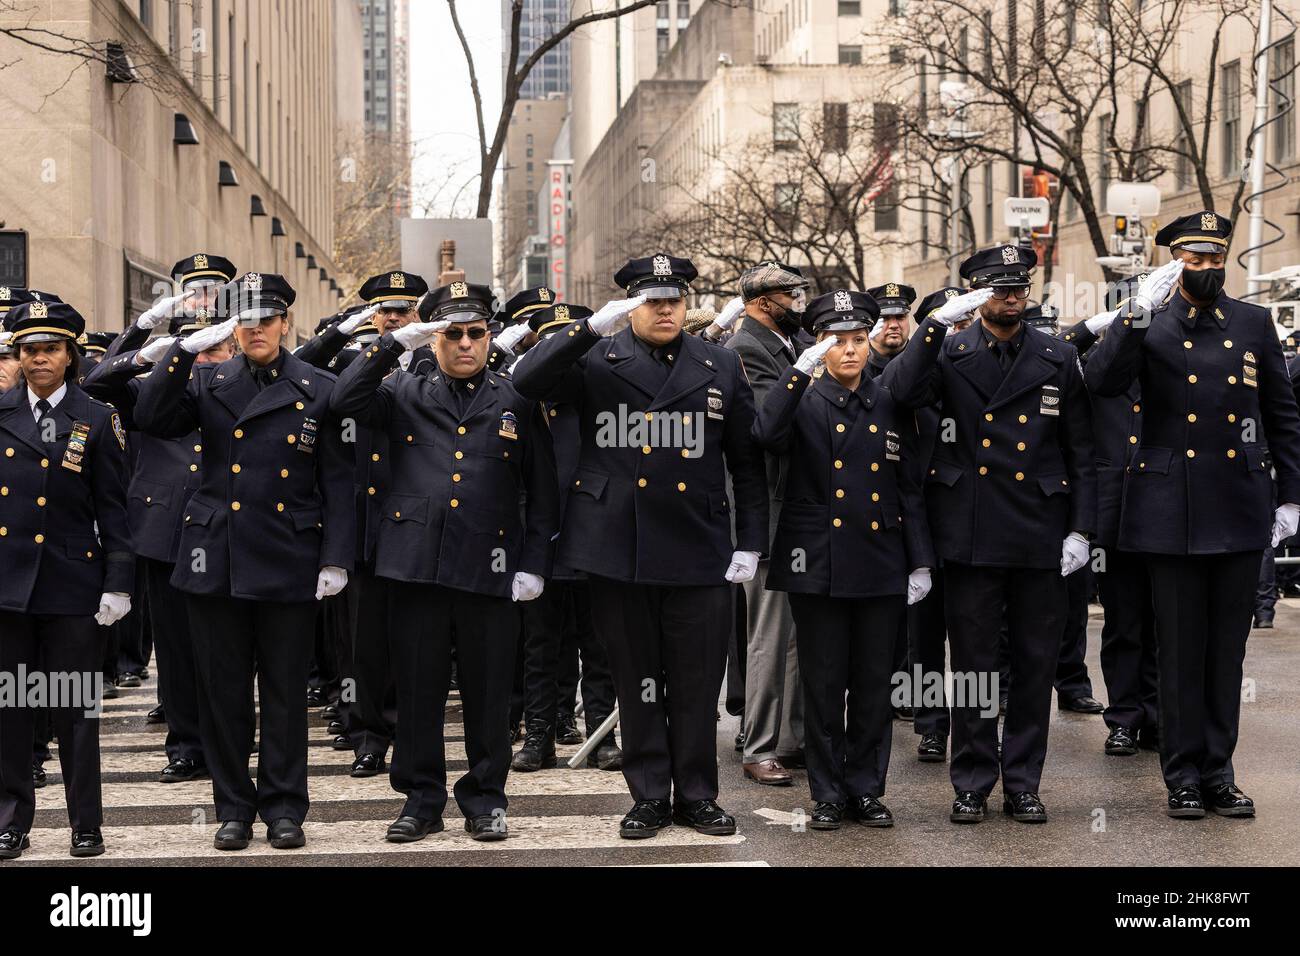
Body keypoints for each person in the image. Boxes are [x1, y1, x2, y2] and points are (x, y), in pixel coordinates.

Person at [512, 253, 769, 839]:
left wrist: (750, 542)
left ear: (686, 304)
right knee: (637, 678)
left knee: (696, 680)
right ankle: (650, 794)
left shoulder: (720, 363)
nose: (664, 310)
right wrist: (587, 329)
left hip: (698, 542)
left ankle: (698, 794)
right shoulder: (598, 357)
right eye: (651, 301)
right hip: (618, 542)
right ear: (630, 306)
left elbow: (746, 462)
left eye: (673, 300)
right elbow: (526, 382)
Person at [1085, 212, 1300, 819]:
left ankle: (1219, 772)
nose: (1205, 269)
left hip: (1235, 505)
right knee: (1178, 651)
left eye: (1214, 259)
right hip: (1167, 510)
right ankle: (1180, 776)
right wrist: (1131, 316)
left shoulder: (1254, 323)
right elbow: (1100, 382)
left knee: (1225, 654)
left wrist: (1291, 495)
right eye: (1193, 260)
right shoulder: (1148, 323)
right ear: (1175, 261)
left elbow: (1282, 414)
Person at [132, 272, 355, 851]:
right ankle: (232, 807)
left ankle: (284, 808)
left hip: (288, 553)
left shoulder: (319, 386)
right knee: (223, 692)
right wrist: (180, 353)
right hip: (217, 555)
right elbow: (152, 419)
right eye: (243, 319)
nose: (255, 328)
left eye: (266, 318)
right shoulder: (208, 381)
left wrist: (335, 558)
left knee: (283, 693)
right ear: (230, 327)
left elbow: (336, 480)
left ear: (285, 324)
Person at [331, 281, 559, 843]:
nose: (463, 343)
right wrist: (390, 343)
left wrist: (533, 563)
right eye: (451, 333)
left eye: (474, 333)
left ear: (489, 337)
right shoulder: (400, 390)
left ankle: (486, 798)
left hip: (490, 564)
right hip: (414, 566)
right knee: (417, 689)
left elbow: (543, 489)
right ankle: (420, 798)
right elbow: (342, 400)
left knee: (488, 692)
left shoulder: (517, 396)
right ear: (433, 339)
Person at [884, 244, 1097, 825]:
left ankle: (1023, 782)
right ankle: (973, 781)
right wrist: (931, 328)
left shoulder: (1055, 353)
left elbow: (1082, 452)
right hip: (971, 528)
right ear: (977, 295)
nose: (1010, 298)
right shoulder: (949, 350)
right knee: (974, 666)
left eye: (1017, 289)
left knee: (1034, 664)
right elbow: (898, 395)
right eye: (997, 290)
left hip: (1040, 529)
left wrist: (1082, 529)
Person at [754, 289, 935, 829]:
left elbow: (908, 487)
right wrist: (796, 375)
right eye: (838, 342)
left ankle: (867, 789)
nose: (851, 351)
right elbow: (765, 434)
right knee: (824, 684)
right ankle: (827, 791)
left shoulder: (887, 400)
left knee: (875, 685)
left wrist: (919, 560)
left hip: (880, 557)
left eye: (859, 340)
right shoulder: (802, 398)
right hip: (819, 563)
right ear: (819, 346)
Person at [82, 253, 239, 784]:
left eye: (216, 346)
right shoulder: (151, 386)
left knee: (227, 646)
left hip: (225, 530)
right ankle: (186, 744)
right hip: (165, 531)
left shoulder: (243, 384)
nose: (205, 358)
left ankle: (230, 737)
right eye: (194, 349)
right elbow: (96, 383)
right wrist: (146, 333)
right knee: (174, 648)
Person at [0, 297, 133, 859]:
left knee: (76, 710)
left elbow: (116, 510)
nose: (38, 360)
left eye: (50, 349)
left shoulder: (96, 417)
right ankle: (10, 819)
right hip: (7, 589)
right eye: (28, 350)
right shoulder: (1, 413)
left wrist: (118, 582)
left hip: (74, 587)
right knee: (10, 710)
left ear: (71, 355)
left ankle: (86, 824)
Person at [510, 303, 621, 774]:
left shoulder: (596, 393)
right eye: (551, 339)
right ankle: (541, 731)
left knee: (597, 643)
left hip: (591, 531)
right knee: (541, 645)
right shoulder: (523, 397)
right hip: (538, 535)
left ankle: (602, 732)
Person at [723, 261, 812, 788]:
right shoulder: (747, 350)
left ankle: (792, 739)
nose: (798, 300)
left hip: (797, 511)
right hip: (769, 511)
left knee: (797, 639)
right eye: (789, 293)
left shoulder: (784, 343)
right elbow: (767, 429)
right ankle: (759, 746)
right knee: (768, 637)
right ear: (759, 301)